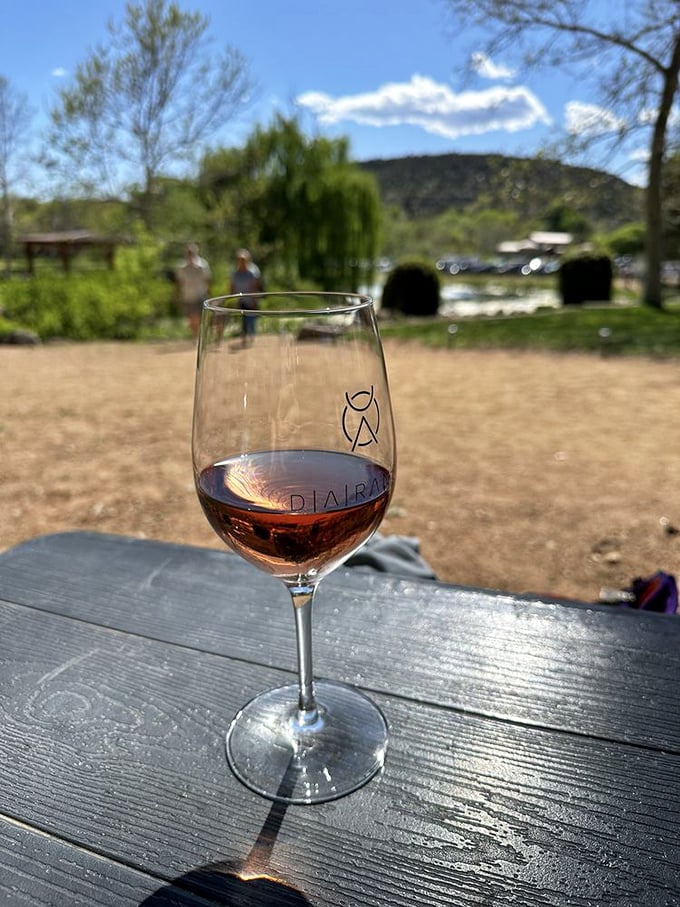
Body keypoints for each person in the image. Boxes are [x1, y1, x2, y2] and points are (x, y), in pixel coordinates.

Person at [174, 243, 211, 339]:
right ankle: (195, 335)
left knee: (198, 317)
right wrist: (176, 294)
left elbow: (207, 280)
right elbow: (179, 282)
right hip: (188, 295)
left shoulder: (202, 265)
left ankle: (198, 335)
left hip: (200, 294)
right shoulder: (181, 267)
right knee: (191, 318)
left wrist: (209, 293)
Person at [229, 249, 262, 344]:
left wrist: (254, 299)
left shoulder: (252, 272)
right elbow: (232, 286)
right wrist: (232, 298)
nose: (242, 262)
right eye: (240, 260)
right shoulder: (234, 273)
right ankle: (244, 336)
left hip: (251, 299)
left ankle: (252, 334)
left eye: (243, 260)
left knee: (251, 318)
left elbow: (255, 286)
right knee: (243, 318)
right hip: (241, 300)